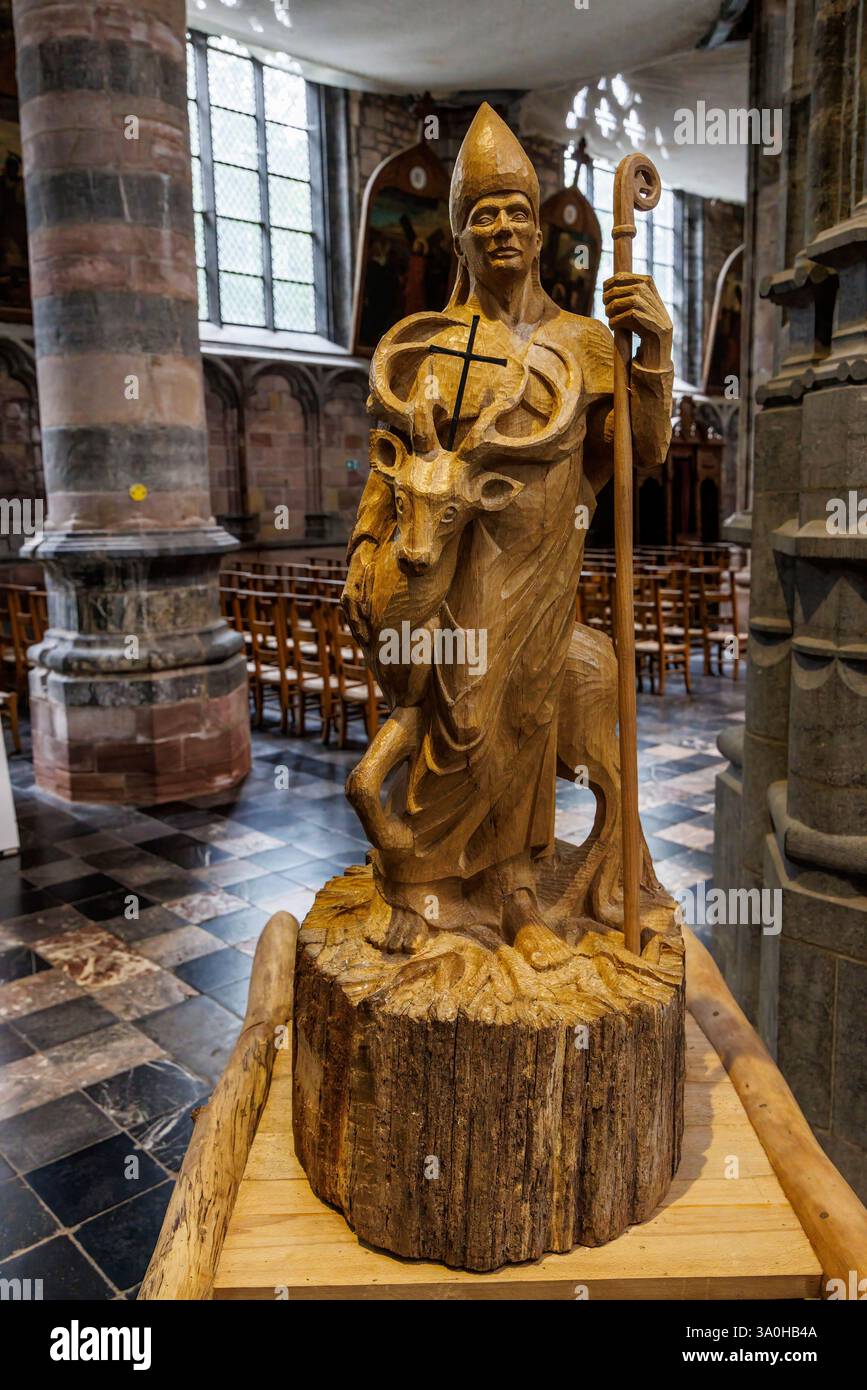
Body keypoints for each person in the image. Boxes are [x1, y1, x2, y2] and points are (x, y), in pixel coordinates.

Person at [343, 104, 673, 967]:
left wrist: (654, 351)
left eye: (515, 212)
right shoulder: (427, 346)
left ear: (538, 230)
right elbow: (392, 467)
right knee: (459, 724)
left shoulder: (586, 342)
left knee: (526, 718)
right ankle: (422, 879)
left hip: (547, 562)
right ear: (457, 234)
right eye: (480, 213)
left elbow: (641, 452)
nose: (500, 228)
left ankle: (517, 893)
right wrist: (367, 551)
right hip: (453, 566)